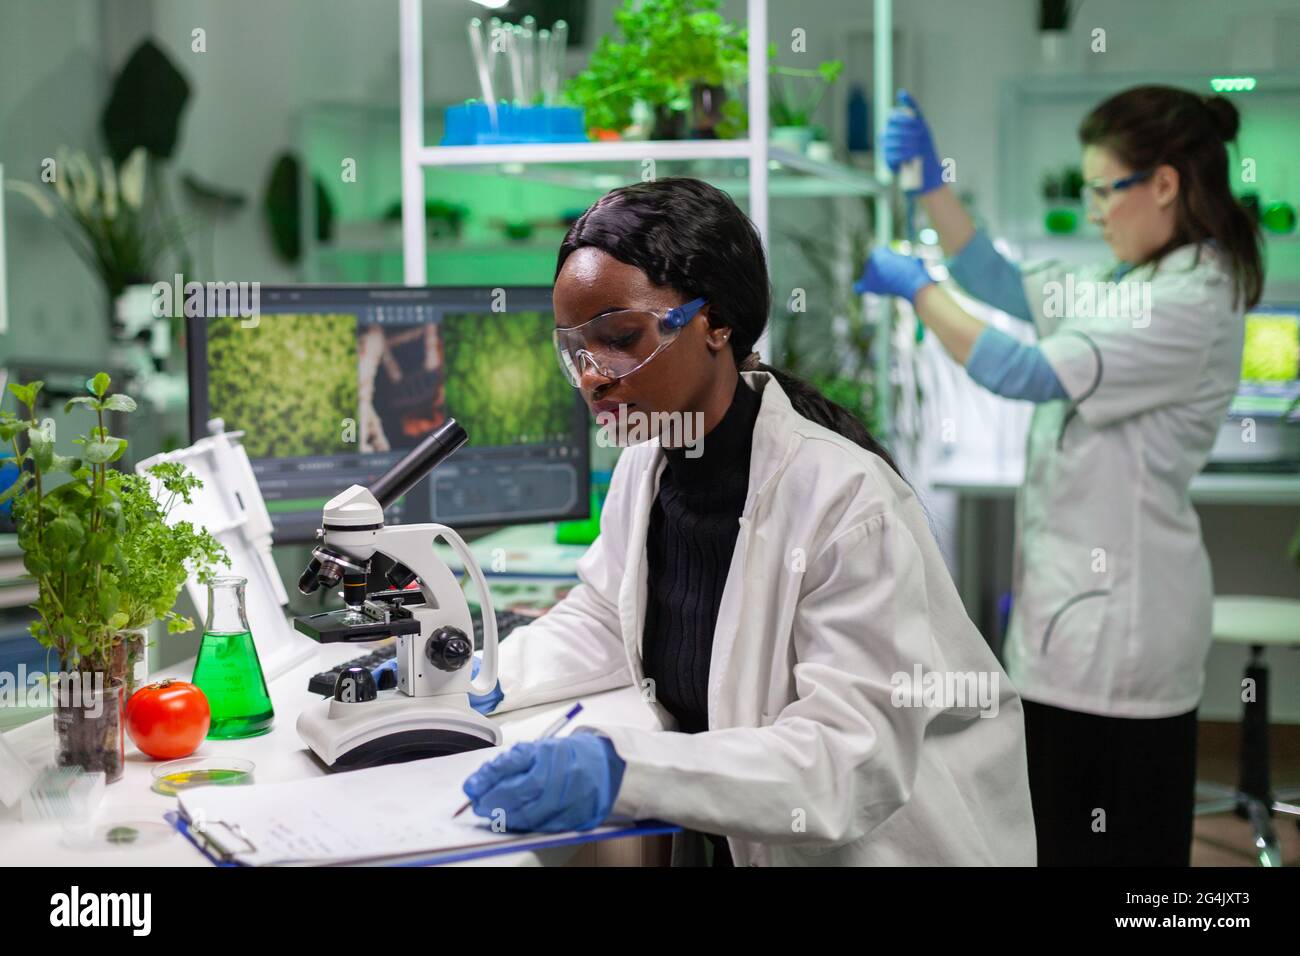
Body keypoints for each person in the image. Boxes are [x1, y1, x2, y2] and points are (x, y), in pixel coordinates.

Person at [460, 176, 1037, 867]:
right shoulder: (646, 467)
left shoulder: (843, 502)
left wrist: (628, 770)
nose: (592, 377)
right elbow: (603, 617)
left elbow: (844, 761)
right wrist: (467, 680)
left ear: (716, 323)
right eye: (575, 352)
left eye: (618, 338)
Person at [856, 88, 1262, 865]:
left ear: (1165, 185)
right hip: (1070, 629)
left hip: (1122, 643)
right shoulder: (1135, 278)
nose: (1093, 208)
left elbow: (1022, 369)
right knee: (1057, 839)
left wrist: (917, 288)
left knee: (1116, 854)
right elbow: (1001, 282)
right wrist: (926, 181)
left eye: (1103, 189)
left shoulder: (1188, 297)